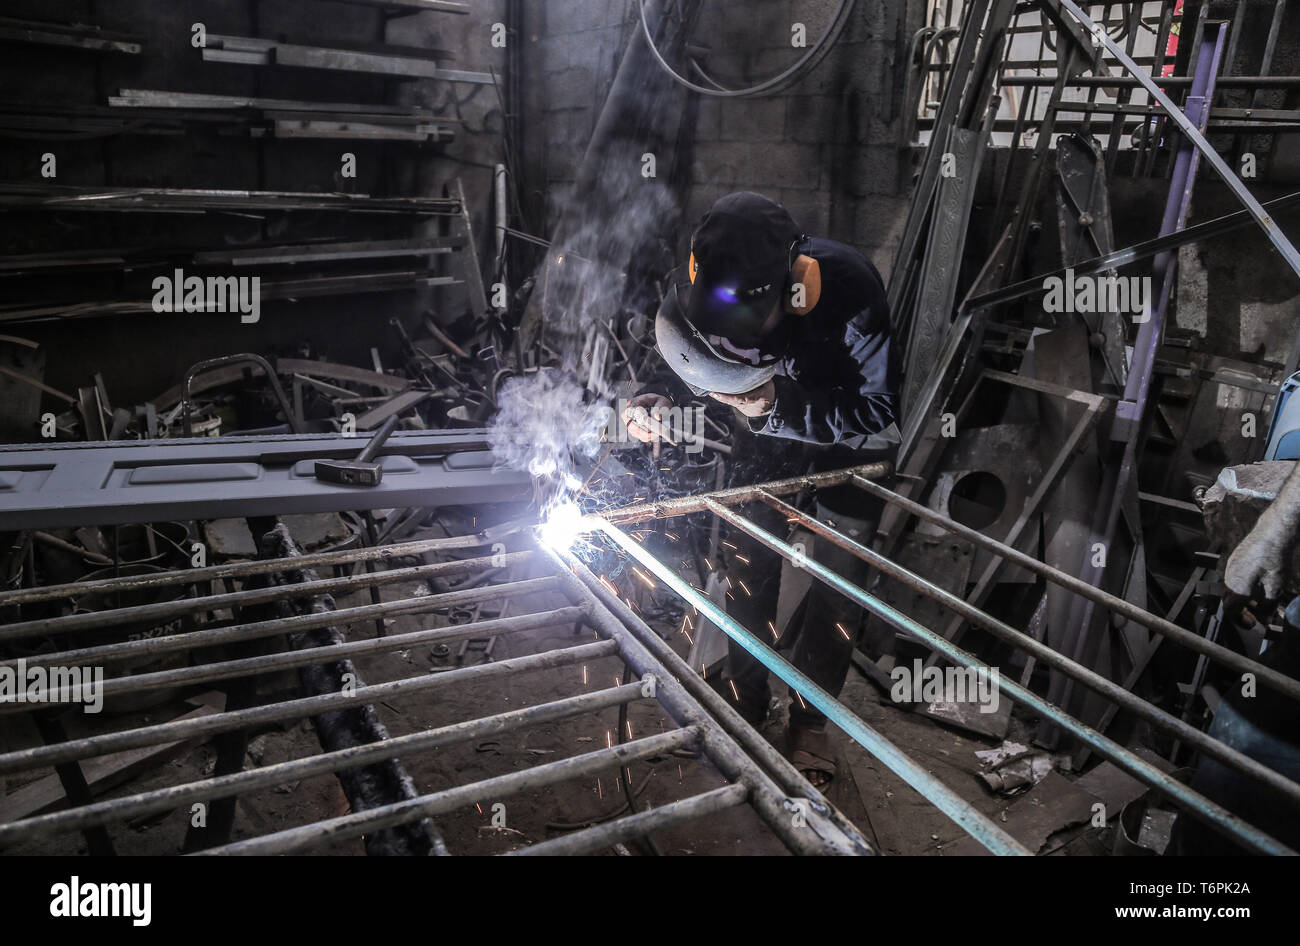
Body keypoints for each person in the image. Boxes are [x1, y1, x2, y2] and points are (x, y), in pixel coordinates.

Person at [623, 191, 900, 788]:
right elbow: (688, 349)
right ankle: (744, 695)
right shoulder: (707, 271)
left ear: (791, 284)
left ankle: (811, 722)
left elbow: (877, 410)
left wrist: (779, 407)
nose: (733, 347)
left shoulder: (850, 292)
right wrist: (657, 391)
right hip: (765, 418)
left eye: (745, 335)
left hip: (845, 432)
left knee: (838, 582)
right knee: (749, 554)